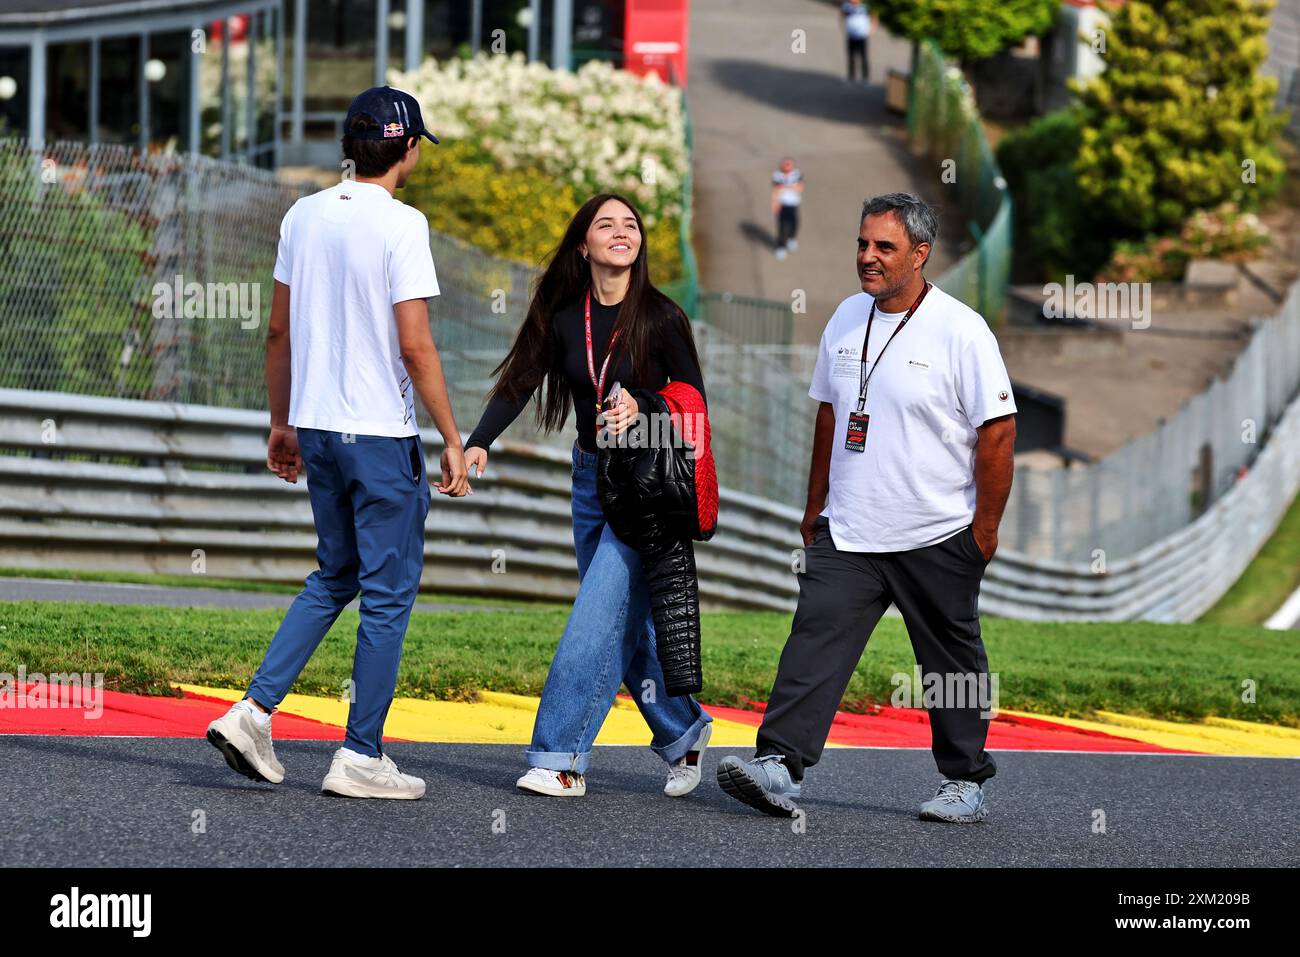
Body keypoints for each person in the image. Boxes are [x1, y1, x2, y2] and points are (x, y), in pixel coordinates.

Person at [717, 192, 1017, 823]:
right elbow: (830, 414)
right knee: (813, 640)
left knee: (950, 662)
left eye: (884, 247)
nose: (868, 257)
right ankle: (778, 765)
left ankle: (964, 782)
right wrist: (814, 506)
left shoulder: (962, 330)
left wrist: (982, 531)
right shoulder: (846, 318)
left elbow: (998, 432)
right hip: (849, 530)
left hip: (937, 532)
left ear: (920, 253)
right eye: (862, 244)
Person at [205, 86, 470, 801]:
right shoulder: (403, 224)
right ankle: (359, 754)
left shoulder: (302, 213)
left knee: (334, 574)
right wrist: (451, 437)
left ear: (350, 148)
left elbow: (278, 331)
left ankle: (253, 712)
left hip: (317, 426)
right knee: (387, 594)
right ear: (408, 149)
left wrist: (282, 421)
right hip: (380, 436)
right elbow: (415, 345)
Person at [463, 193, 714, 798]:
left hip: (645, 488)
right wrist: (479, 443)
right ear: (584, 244)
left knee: (594, 620)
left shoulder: (662, 318)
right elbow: (521, 379)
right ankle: (684, 732)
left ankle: (561, 757)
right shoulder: (562, 312)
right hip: (589, 480)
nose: (621, 231)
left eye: (631, 224)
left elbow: (696, 418)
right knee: (620, 628)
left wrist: (647, 405)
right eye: (607, 223)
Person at [771, 157, 803, 261]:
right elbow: (776, 190)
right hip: (782, 205)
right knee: (781, 227)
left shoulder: (796, 174)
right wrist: (774, 204)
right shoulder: (777, 176)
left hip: (793, 204)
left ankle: (791, 238)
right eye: (785, 165)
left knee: (794, 223)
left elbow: (800, 188)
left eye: (789, 164)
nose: (787, 167)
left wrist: (785, 187)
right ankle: (781, 246)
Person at [842, 0, 872, 84]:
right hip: (851, 35)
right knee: (851, 56)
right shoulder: (846, 5)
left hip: (862, 35)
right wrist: (844, 28)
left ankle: (865, 77)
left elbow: (873, 16)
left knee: (863, 57)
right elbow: (842, 16)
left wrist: (872, 28)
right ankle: (851, 76)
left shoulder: (865, 5)